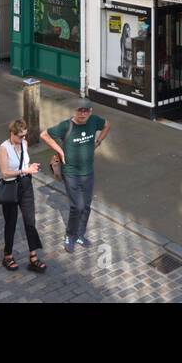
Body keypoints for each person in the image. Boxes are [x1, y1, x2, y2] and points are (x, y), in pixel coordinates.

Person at [40, 100, 111, 252]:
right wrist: (60, 151)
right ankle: (69, 235)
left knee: (86, 206)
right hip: (71, 173)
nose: (83, 114)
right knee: (77, 206)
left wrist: (98, 142)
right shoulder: (66, 126)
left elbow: (107, 125)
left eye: (86, 111)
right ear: (75, 111)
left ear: (90, 111)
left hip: (88, 172)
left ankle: (80, 234)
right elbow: (44, 135)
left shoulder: (94, 121)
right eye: (80, 110)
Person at [0, 119, 46, 273]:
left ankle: (33, 257)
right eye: (20, 136)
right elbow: (4, 174)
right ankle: (8, 255)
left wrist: (30, 167)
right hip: (11, 187)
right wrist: (25, 171)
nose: (23, 139)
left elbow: (23, 164)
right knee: (10, 223)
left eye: (25, 136)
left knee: (30, 221)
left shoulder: (24, 144)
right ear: (12, 133)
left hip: (25, 185)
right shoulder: (3, 148)